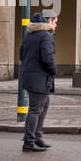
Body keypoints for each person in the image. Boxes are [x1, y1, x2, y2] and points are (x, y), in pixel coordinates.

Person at [20, 11, 57, 152]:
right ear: (49, 20)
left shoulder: (30, 35)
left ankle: (37, 136)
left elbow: (21, 54)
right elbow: (48, 58)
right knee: (35, 109)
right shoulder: (45, 36)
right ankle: (29, 142)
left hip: (31, 76)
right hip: (39, 78)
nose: (56, 24)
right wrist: (53, 70)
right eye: (55, 21)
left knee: (44, 104)